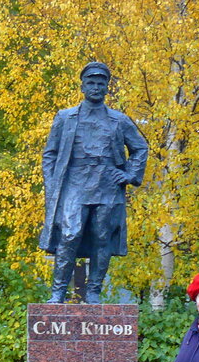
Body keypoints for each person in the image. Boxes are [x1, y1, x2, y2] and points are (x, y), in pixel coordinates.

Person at [39, 61, 149, 304]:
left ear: (107, 87)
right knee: (69, 235)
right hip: (74, 184)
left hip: (107, 185)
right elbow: (50, 154)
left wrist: (130, 175)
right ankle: (57, 293)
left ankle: (93, 292)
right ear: (82, 86)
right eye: (91, 82)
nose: (96, 87)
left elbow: (140, 148)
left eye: (101, 83)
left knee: (102, 237)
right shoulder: (65, 117)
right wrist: (52, 185)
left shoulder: (119, 120)